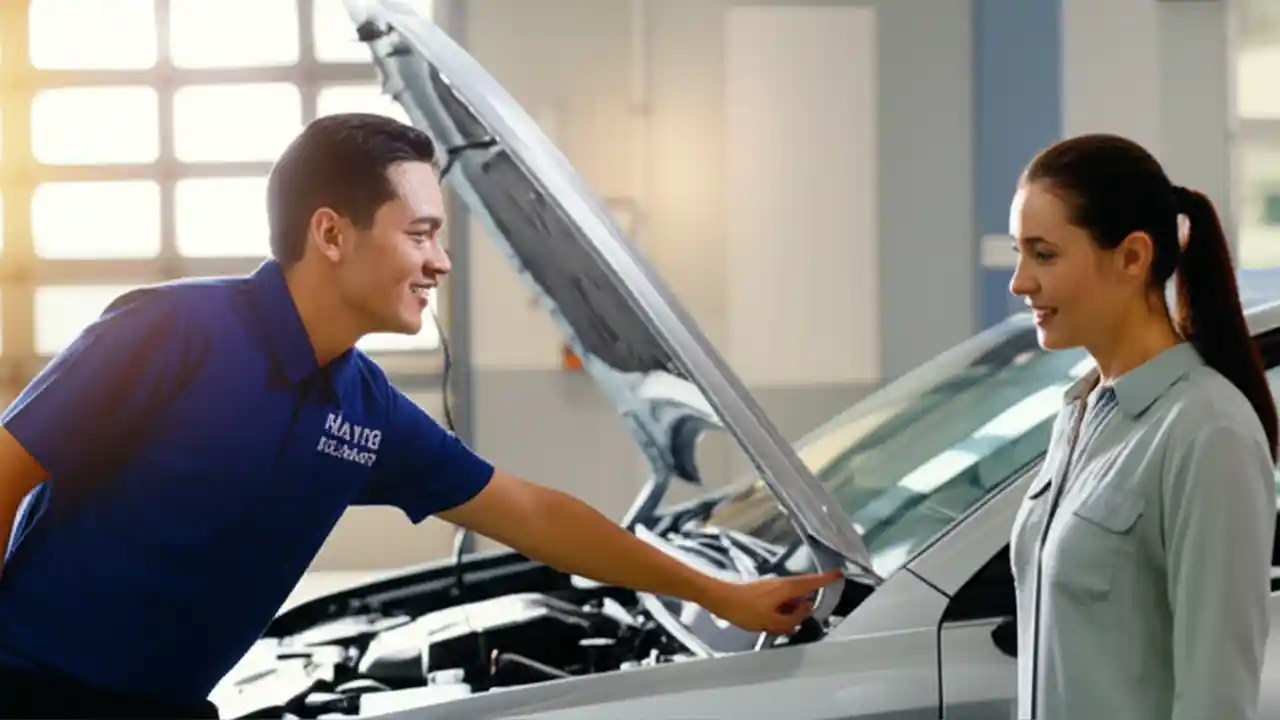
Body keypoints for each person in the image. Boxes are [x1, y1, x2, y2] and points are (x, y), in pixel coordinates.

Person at [0, 113, 841, 718]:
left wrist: (721, 594)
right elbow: (6, 474)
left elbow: (532, 514)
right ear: (332, 233)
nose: (440, 260)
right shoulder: (170, 332)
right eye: (421, 233)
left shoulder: (365, 411)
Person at [1007, 133, 1278, 720]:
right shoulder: (1079, 415)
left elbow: (1216, 701)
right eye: (1018, 253)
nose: (1019, 281)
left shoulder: (1209, 433)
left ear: (1132, 257)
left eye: (1044, 254)